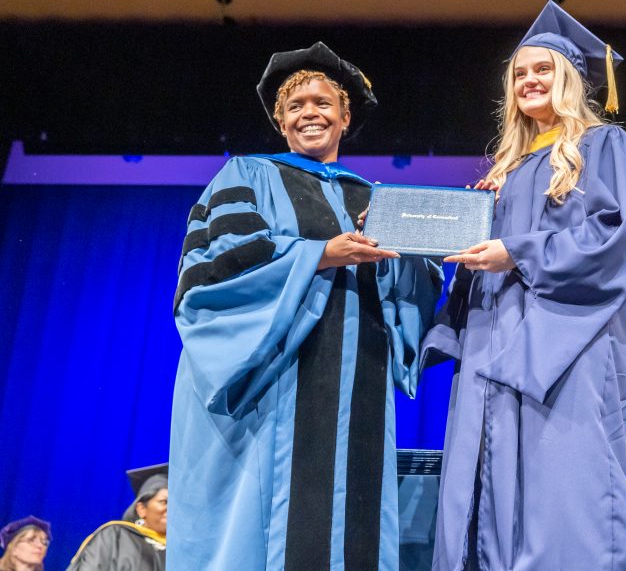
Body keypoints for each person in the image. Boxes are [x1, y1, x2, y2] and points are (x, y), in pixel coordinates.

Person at [168, 42, 442, 571]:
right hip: (277, 380)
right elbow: (218, 269)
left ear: (344, 115)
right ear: (280, 119)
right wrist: (319, 254)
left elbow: (417, 293)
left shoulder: (374, 196)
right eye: (295, 106)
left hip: (361, 373)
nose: (309, 113)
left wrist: (402, 256)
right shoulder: (246, 175)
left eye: (321, 103)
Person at [423, 1, 626, 571]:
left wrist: (518, 252)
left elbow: (617, 233)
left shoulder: (602, 147)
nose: (528, 80)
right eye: (519, 73)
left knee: (560, 500)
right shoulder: (504, 172)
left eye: (542, 70)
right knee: (484, 494)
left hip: (559, 346)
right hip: (490, 346)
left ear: (571, 80)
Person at [67, 464, 167, 571]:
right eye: (164, 502)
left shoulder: (178, 549)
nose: (171, 510)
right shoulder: (116, 535)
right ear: (141, 509)